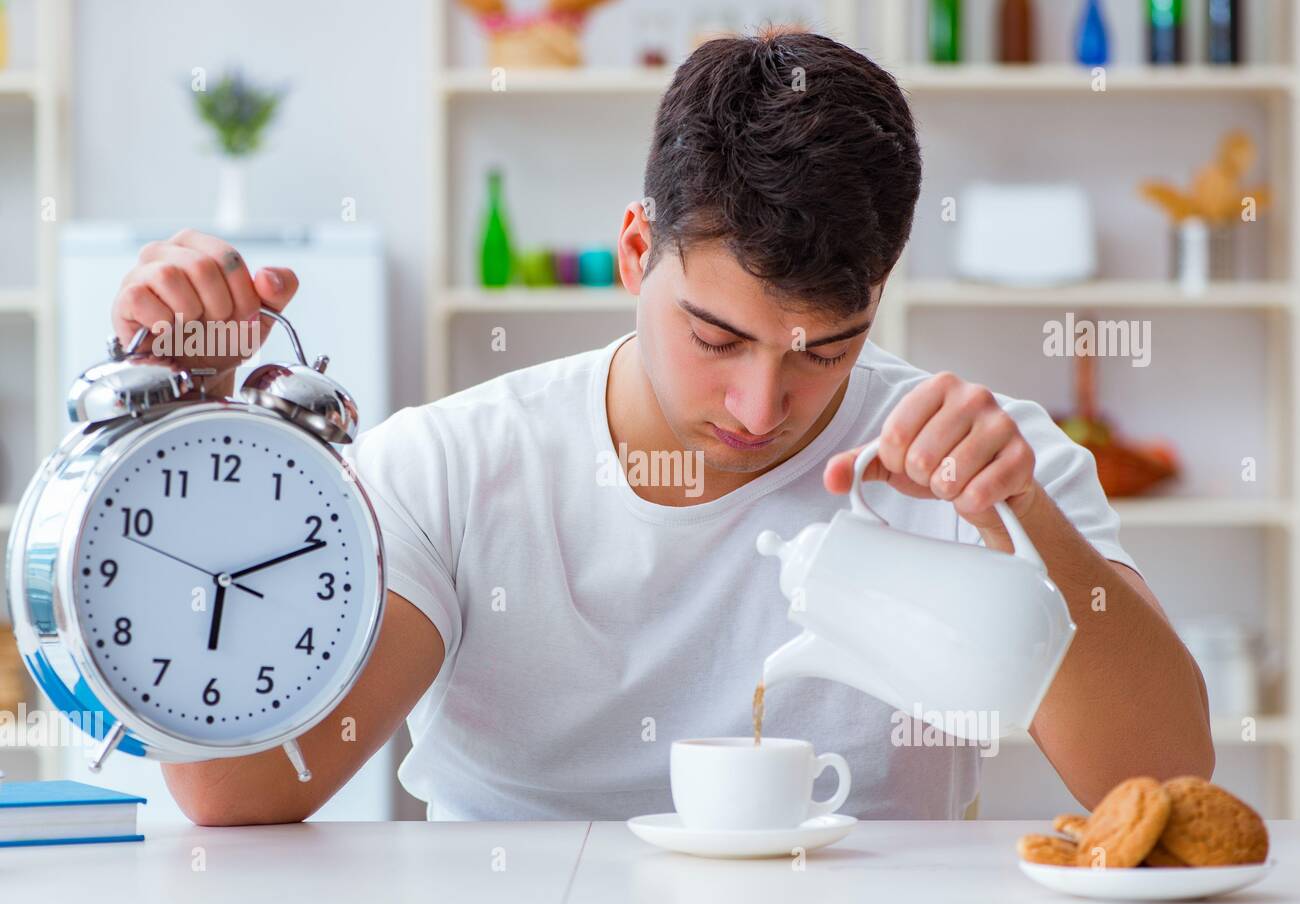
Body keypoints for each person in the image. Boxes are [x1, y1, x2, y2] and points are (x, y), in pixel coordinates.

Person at [109, 30, 1211, 825]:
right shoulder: (456, 464)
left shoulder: (971, 458)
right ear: (636, 249)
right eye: (717, 335)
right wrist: (192, 443)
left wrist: (1025, 527)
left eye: (824, 348)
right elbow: (238, 789)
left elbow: (1163, 773)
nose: (761, 407)